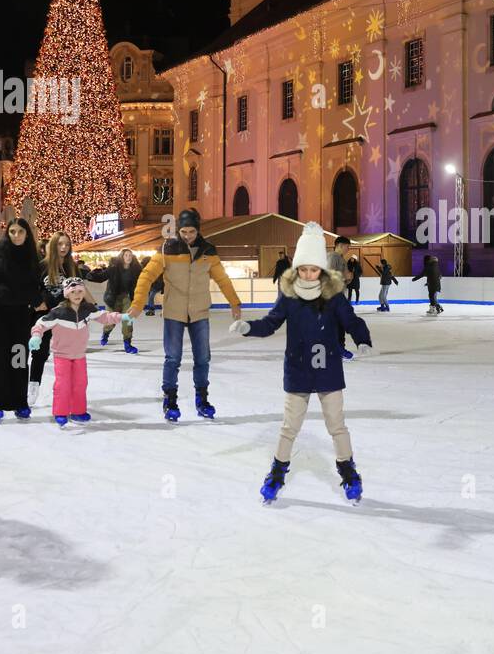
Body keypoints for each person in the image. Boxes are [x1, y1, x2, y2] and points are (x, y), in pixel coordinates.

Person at [230, 222, 372, 505]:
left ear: (321, 269)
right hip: (297, 369)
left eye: (314, 269)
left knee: (337, 425)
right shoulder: (290, 294)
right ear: (296, 268)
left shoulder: (332, 294)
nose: (308, 274)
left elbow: (351, 320)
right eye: (304, 268)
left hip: (328, 369)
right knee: (289, 427)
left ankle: (349, 472)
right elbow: (271, 323)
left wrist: (362, 339)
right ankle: (277, 474)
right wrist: (249, 328)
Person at [128, 208, 242, 421]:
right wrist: (138, 303)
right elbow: (146, 276)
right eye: (184, 231)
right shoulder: (167, 249)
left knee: (203, 359)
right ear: (178, 230)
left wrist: (234, 302)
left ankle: (202, 399)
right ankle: (170, 400)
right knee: (173, 358)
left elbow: (222, 279)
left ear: (198, 230)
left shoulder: (208, 251)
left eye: (191, 231)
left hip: (199, 312)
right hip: (174, 312)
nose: (188, 235)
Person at [30, 278, 127, 427]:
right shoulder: (58, 312)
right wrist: (36, 336)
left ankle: (78, 411)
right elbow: (41, 324)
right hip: (62, 355)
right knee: (63, 384)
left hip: (79, 355)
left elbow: (104, 316)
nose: (77, 294)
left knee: (80, 383)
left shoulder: (87, 309)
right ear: (66, 294)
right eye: (73, 292)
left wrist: (123, 316)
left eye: (80, 291)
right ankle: (60, 412)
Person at [0, 218, 44, 422]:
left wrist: (38, 300)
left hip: (21, 314)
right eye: (12, 231)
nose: (16, 235)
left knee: (19, 358)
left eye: (20, 232)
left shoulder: (32, 256)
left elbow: (34, 285)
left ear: (27, 234)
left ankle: (19, 402)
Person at [101, 248, 142, 353]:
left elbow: (143, 281)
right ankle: (106, 333)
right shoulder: (114, 268)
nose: (129, 257)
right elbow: (102, 276)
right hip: (113, 298)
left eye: (130, 255)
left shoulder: (136, 270)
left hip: (126, 297)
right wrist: (91, 274)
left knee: (128, 320)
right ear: (122, 257)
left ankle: (128, 344)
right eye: (126, 255)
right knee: (111, 322)